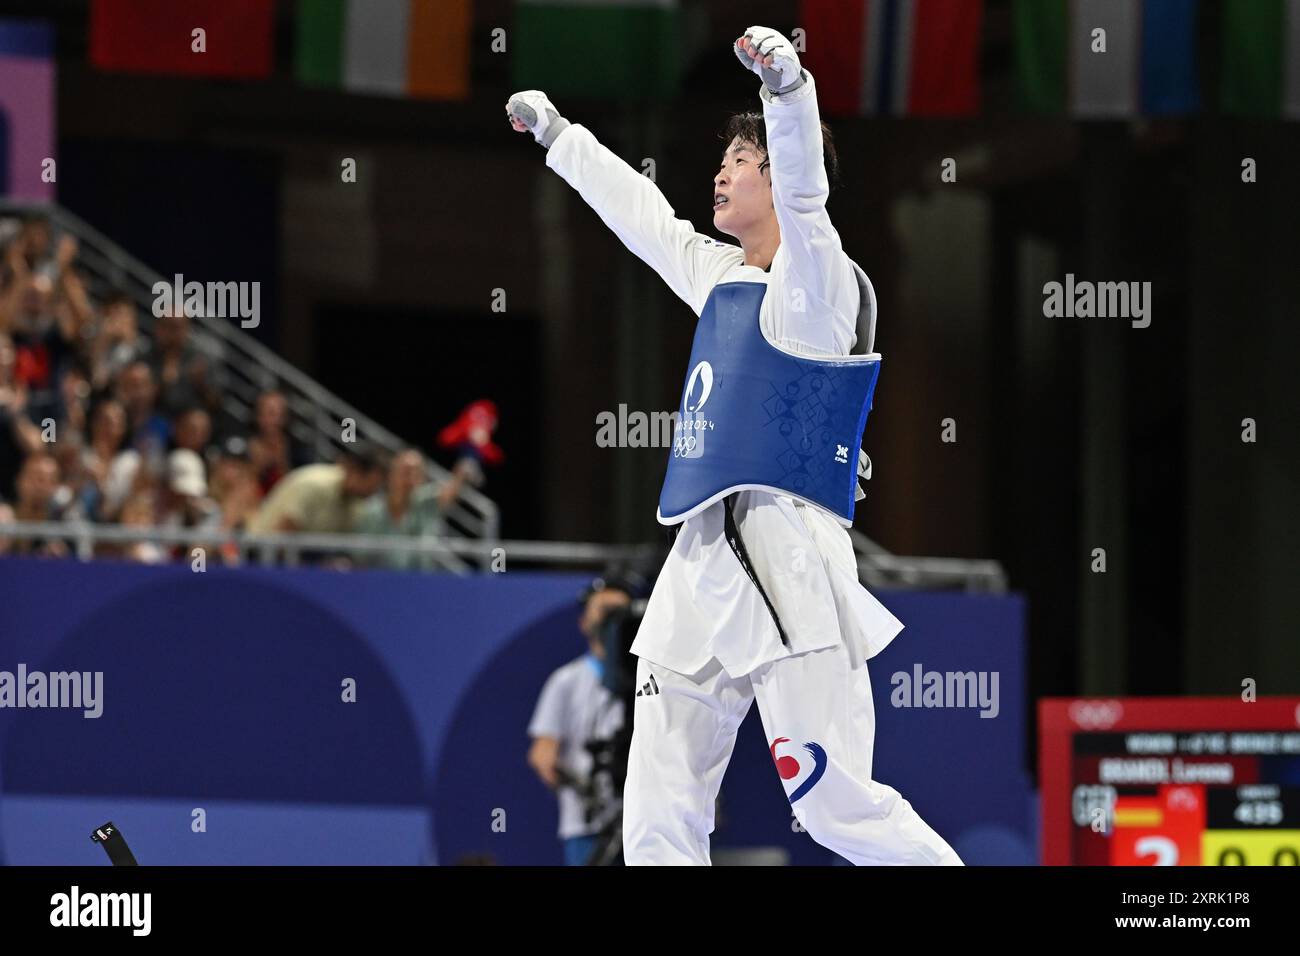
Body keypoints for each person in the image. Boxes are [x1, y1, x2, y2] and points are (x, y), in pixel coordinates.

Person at [507, 26, 962, 866]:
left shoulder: (818, 286)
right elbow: (645, 220)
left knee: (833, 806)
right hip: (702, 554)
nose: (722, 172)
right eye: (723, 161)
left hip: (788, 555)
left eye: (740, 162)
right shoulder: (721, 277)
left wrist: (786, 94)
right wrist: (563, 139)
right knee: (656, 805)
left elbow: (806, 197)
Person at [527, 578, 630, 865]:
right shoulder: (566, 681)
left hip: (645, 821)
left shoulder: (652, 678)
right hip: (588, 827)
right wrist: (585, 789)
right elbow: (542, 755)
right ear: (584, 622)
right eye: (604, 611)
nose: (612, 621)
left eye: (619, 612)